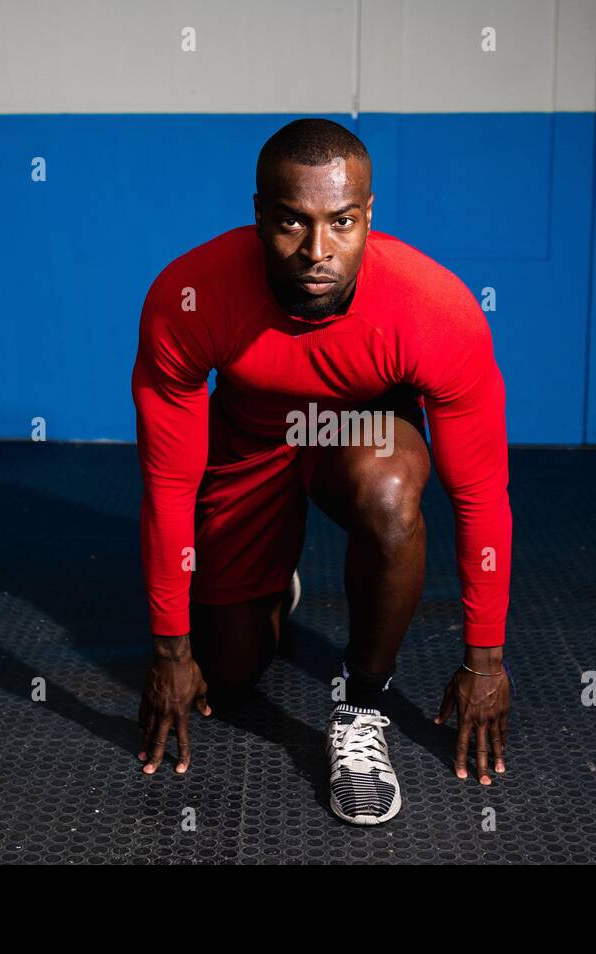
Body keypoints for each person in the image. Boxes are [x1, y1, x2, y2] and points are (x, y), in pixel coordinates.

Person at [130, 118, 512, 825]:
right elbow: (169, 482)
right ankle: (274, 580)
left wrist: (485, 660)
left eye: (341, 222)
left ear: (369, 215)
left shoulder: (434, 309)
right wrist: (169, 647)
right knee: (230, 673)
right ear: (258, 216)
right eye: (291, 223)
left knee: (393, 498)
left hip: (359, 436)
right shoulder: (189, 297)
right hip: (252, 443)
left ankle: (361, 710)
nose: (317, 251)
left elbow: (480, 491)